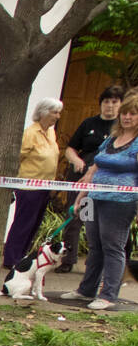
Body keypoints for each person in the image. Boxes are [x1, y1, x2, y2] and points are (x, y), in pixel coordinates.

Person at [60, 92, 138, 311]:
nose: (127, 117)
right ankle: (86, 290)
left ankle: (108, 294)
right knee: (95, 245)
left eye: (133, 113)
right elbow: (93, 169)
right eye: (125, 113)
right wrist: (80, 198)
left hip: (120, 201)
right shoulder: (111, 139)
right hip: (94, 198)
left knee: (113, 247)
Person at [57, 86, 125, 272]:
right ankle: (68, 259)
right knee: (75, 216)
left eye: (114, 102)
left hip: (104, 180)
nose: (109, 106)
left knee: (95, 221)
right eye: (106, 102)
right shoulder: (89, 123)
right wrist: (76, 160)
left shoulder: (121, 129)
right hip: (81, 177)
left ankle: (93, 262)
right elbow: (70, 148)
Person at [2, 98, 62, 269]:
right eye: (54, 112)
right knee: (23, 223)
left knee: (34, 225)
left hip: (45, 187)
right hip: (29, 187)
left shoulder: (51, 132)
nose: (57, 116)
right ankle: (11, 258)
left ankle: (22, 256)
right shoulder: (30, 133)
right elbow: (17, 158)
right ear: (43, 113)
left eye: (59, 113)